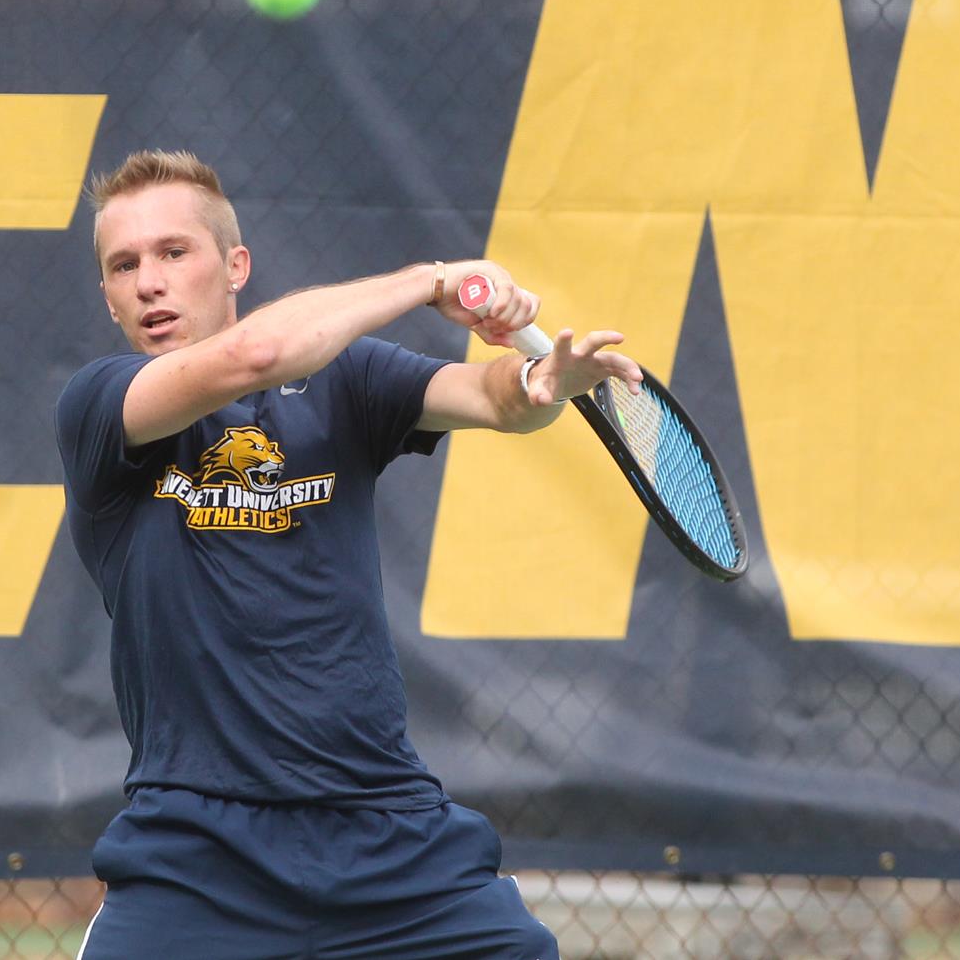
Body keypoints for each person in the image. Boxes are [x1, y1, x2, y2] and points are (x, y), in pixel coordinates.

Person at [55, 150, 641, 959]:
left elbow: (492, 397)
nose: (149, 281)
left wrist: (543, 381)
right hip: (194, 856)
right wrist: (436, 281)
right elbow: (252, 357)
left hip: (389, 839)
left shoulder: (346, 382)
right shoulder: (100, 408)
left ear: (235, 266)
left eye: (172, 252)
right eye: (125, 264)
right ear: (109, 296)